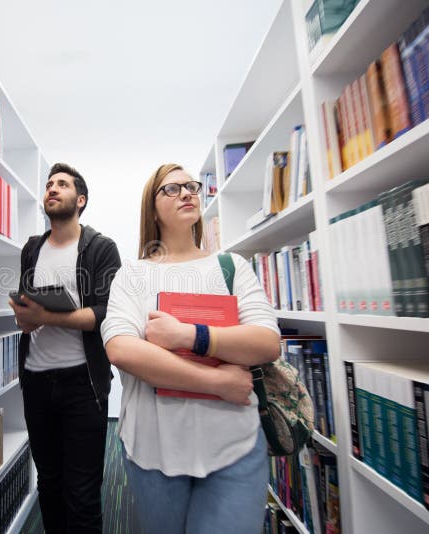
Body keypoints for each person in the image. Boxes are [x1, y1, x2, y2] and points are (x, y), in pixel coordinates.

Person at [101, 163, 280, 533]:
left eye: (191, 187)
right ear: (152, 208)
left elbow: (266, 342)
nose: (187, 193)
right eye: (171, 189)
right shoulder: (133, 274)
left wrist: (188, 336)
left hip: (236, 449)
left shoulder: (233, 267)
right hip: (153, 451)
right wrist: (216, 382)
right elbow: (122, 350)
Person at [9, 163, 121, 533]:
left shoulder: (101, 248)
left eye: (62, 184)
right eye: (49, 184)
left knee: (83, 492)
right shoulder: (31, 249)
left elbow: (106, 312)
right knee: (49, 483)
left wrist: (47, 317)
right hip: (36, 382)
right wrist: (25, 318)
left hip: (83, 386)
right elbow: (30, 310)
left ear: (81, 199)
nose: (52, 189)